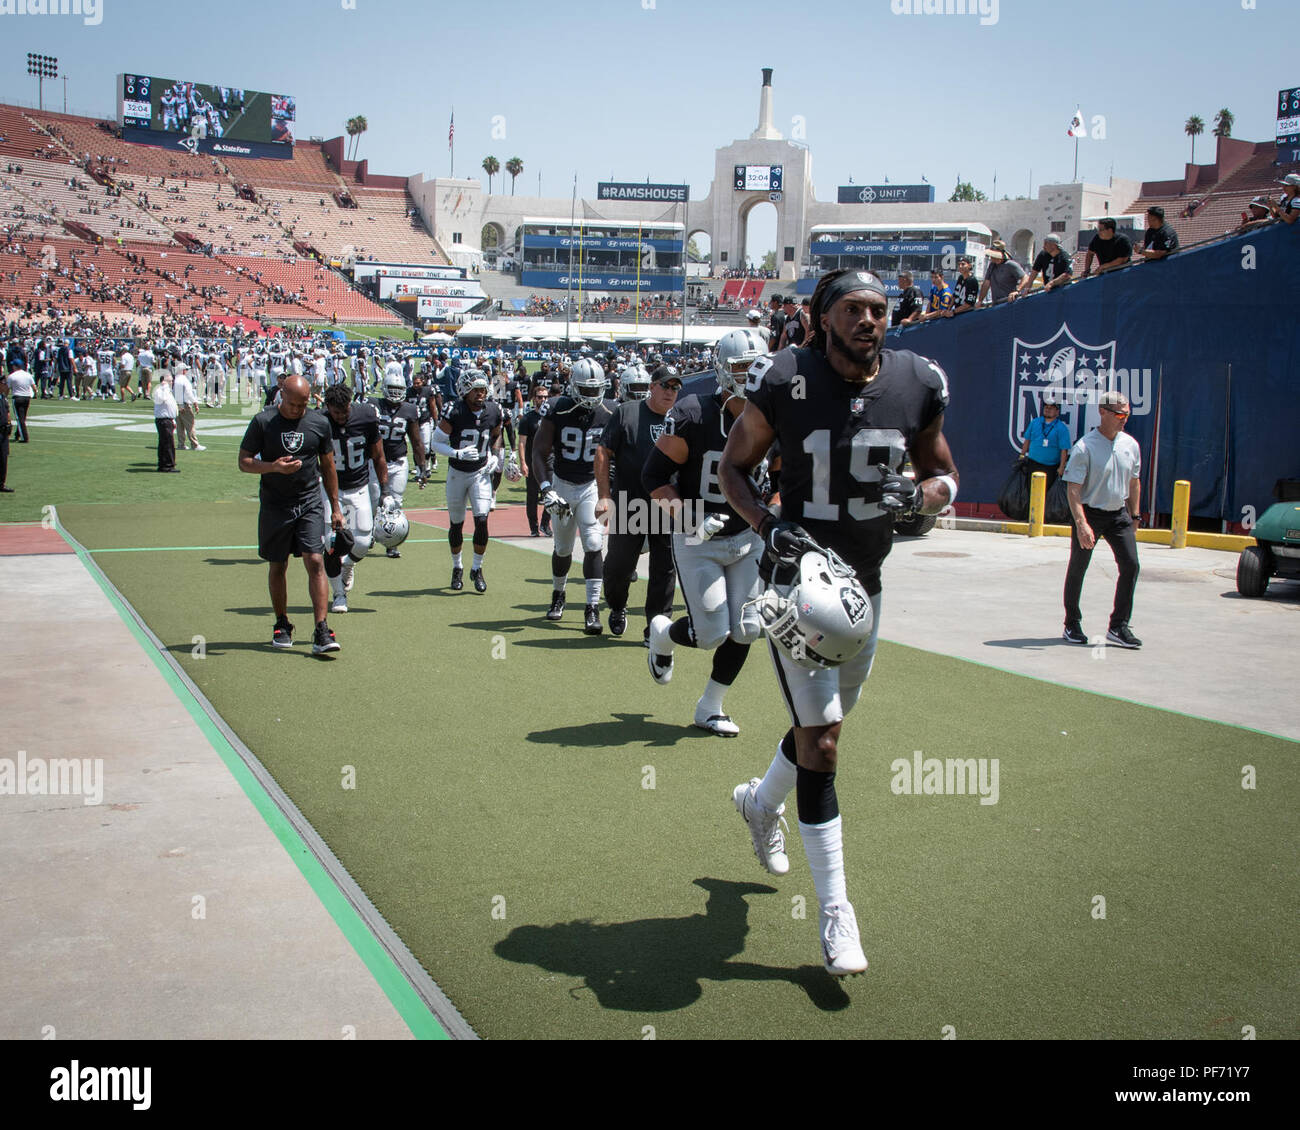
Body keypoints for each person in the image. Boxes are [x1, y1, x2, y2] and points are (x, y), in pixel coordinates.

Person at [717, 267, 957, 976]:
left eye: (878, 310)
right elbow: (734, 467)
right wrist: (766, 524)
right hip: (798, 586)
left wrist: (923, 496)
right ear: (826, 318)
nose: (868, 320)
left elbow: (945, 474)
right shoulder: (788, 376)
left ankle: (761, 802)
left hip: (866, 588)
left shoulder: (917, 381)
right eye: (852, 308)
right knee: (822, 742)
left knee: (820, 728)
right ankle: (835, 916)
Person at [644, 331, 773, 736]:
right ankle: (662, 633)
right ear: (721, 371)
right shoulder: (693, 415)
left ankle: (710, 707)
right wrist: (686, 519)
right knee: (711, 634)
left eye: (758, 367)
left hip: (748, 536)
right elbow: (654, 476)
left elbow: (787, 480)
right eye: (741, 367)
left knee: (749, 626)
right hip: (699, 538)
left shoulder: (776, 416)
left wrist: (775, 519)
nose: (750, 377)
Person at [238, 373, 343, 654]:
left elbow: (328, 466)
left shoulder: (319, 423)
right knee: (278, 564)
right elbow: (244, 462)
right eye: (294, 404)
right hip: (275, 504)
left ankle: (321, 628)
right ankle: (282, 623)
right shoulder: (263, 421)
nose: (299, 410)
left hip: (309, 500)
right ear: (282, 395)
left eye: (304, 404)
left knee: (315, 560)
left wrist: (335, 506)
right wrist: (273, 467)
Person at [597, 363, 681, 639]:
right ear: (652, 386)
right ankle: (617, 606)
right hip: (630, 503)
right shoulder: (627, 413)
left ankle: (655, 628)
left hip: (669, 506)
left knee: (665, 569)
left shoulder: (683, 418)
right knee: (618, 567)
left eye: (675, 387)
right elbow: (603, 451)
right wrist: (604, 497)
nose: (670, 392)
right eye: (665, 386)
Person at [531, 358, 613, 633]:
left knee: (592, 542)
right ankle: (558, 594)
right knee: (563, 548)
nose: (592, 395)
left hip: (591, 485)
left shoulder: (609, 411)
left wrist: (610, 490)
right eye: (586, 390)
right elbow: (538, 452)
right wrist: (546, 489)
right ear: (573, 387)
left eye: (595, 389)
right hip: (563, 484)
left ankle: (592, 607)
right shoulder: (557, 409)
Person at [1061, 390, 1142, 649]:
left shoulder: (1130, 445)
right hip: (1090, 513)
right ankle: (1071, 623)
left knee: (1131, 566)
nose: (1124, 419)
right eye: (1119, 414)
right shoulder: (1085, 447)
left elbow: (1134, 481)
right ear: (1103, 412)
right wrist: (1082, 523)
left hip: (1118, 515)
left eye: (1127, 414)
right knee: (1078, 568)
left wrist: (1136, 514)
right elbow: (1073, 489)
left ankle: (1118, 626)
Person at [428, 368, 503, 592]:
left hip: (480, 473)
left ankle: (477, 569)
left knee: (482, 521)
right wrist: (456, 453)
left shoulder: (494, 409)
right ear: (464, 391)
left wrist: (493, 455)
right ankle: (457, 567)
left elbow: (497, 435)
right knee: (457, 524)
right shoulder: (455, 410)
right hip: (457, 473)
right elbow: (435, 443)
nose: (479, 394)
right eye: (474, 390)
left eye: (482, 389)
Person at [321, 384, 388, 614]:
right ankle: (339, 594)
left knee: (362, 542)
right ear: (327, 406)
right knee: (330, 544)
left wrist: (385, 490)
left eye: (345, 411)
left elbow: (378, 455)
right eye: (336, 412)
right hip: (329, 488)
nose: (341, 416)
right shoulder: (320, 421)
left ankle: (348, 565)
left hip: (359, 486)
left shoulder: (367, 416)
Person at [367, 369, 426, 557]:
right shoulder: (373, 404)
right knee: (375, 500)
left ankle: (391, 541)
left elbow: (416, 441)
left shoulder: (409, 409)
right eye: (391, 388)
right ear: (384, 388)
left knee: (396, 502)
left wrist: (421, 467)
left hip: (398, 462)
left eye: (398, 388)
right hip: (375, 462)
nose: (394, 392)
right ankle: (369, 534)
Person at [516, 381, 552, 537]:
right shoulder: (527, 419)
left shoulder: (552, 417)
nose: (543, 400)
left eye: (545, 397)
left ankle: (545, 523)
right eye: (539, 397)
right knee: (532, 496)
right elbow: (522, 443)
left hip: (550, 461)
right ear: (533, 399)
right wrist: (523, 463)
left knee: (552, 494)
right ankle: (533, 526)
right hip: (533, 462)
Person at [1019, 395, 1070, 487]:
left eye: (1051, 408)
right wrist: (1022, 456)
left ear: (1057, 412)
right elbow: (1027, 440)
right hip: (1033, 463)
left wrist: (1061, 467)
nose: (1048, 409)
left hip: (1050, 467)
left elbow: (1064, 450)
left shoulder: (1062, 428)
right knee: (1030, 490)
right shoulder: (1035, 422)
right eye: (1046, 407)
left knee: (1047, 493)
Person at [1011, 233, 1072, 299]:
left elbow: (1067, 275)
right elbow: (1034, 272)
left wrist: (1052, 283)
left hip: (1062, 290)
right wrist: (1027, 287)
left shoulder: (1064, 256)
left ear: (1053, 245)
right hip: (1049, 291)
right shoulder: (1043, 255)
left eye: (1046, 244)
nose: (1043, 246)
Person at [977, 240, 1025, 305]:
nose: (991, 257)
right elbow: (986, 283)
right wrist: (980, 300)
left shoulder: (1011, 264)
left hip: (1009, 302)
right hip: (996, 302)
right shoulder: (992, 266)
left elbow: (1025, 278)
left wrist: (1017, 291)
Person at [173, 359, 204, 451]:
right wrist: (195, 403)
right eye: (186, 369)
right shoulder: (183, 380)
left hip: (177, 404)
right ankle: (195, 444)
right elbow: (188, 394)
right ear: (183, 370)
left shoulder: (176, 380)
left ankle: (181, 444)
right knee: (190, 425)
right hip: (185, 404)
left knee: (180, 426)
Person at [153, 369, 178, 473]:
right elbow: (161, 399)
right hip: (163, 420)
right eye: (170, 381)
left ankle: (166, 464)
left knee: (166, 443)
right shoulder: (160, 390)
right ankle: (167, 465)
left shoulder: (167, 390)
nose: (171, 383)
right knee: (167, 444)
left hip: (168, 420)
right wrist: (164, 386)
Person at [6, 363, 34, 443]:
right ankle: (17, 434)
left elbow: (8, 388)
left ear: (15, 366)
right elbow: (34, 387)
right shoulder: (28, 375)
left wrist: (5, 396)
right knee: (23, 417)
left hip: (17, 397)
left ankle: (24, 437)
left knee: (19, 418)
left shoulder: (12, 376)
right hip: (27, 397)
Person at [0, 372, 12, 491]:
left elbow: (7, 411)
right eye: (3, 383)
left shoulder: (3, 397)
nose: (5, 386)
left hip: (3, 432)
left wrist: (9, 423)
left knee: (3, 458)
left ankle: (1, 483)